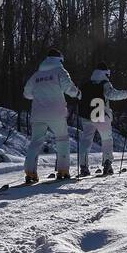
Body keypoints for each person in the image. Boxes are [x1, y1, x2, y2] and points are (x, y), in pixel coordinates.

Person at [22, 47, 80, 184]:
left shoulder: (36, 75)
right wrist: (78, 94)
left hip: (38, 113)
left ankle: (30, 172)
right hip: (56, 112)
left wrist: (39, 95)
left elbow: (26, 93)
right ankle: (63, 170)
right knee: (62, 139)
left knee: (35, 142)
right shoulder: (60, 71)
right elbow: (69, 88)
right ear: (60, 59)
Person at [77, 62, 127, 176]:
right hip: (100, 114)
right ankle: (107, 164)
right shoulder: (105, 84)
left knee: (86, 141)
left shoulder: (86, 84)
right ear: (106, 73)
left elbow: (79, 97)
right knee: (107, 139)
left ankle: (83, 166)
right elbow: (113, 95)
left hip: (86, 116)